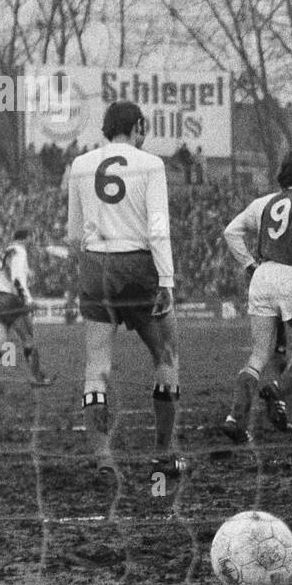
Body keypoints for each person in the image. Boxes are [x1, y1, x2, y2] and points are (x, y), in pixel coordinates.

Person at [66, 100, 183, 480]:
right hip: (138, 266)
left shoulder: (81, 165)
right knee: (165, 355)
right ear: (136, 126)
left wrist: (89, 265)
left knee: (96, 364)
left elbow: (72, 233)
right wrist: (166, 279)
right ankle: (163, 456)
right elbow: (158, 227)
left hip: (95, 265)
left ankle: (103, 457)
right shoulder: (151, 164)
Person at [220, 147, 292, 444]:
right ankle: (278, 389)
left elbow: (235, 232)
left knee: (259, 353)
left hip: (262, 277)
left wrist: (248, 264)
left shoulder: (268, 203)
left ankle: (236, 418)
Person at [0, 228, 53, 390]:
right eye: (32, 238)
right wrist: (28, 300)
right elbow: (17, 279)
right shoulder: (20, 252)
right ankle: (37, 379)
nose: (32, 242)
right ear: (26, 238)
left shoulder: (1, 252)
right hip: (12, 300)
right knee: (28, 339)